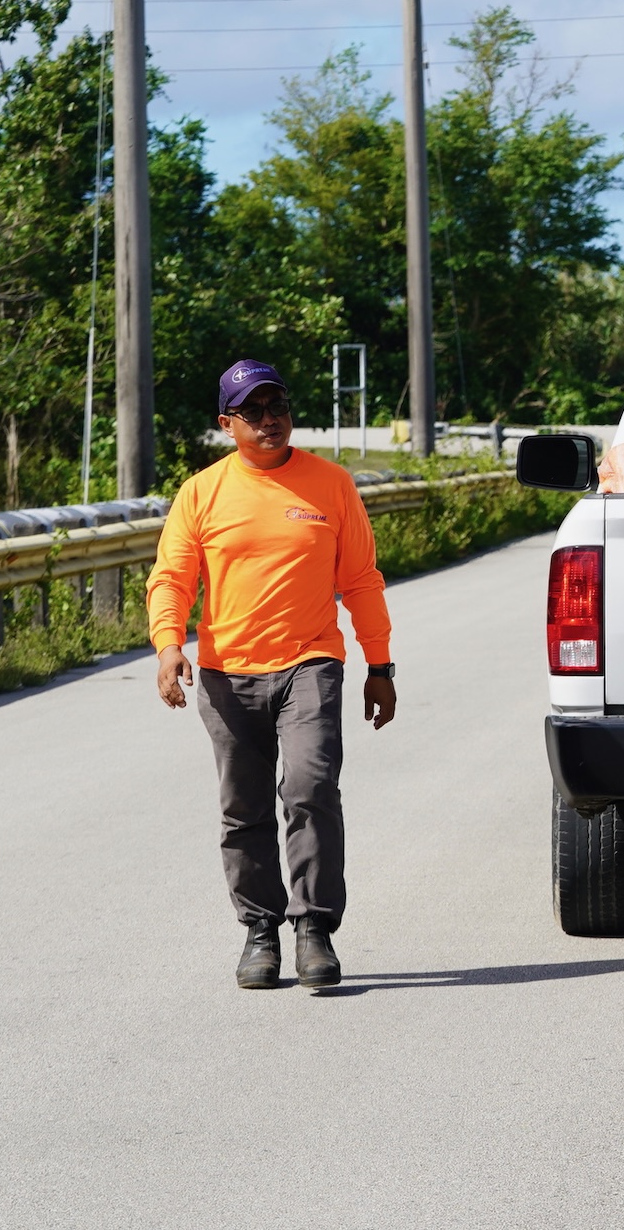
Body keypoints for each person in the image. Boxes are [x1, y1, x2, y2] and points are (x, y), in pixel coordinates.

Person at [149, 360, 398, 991]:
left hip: (310, 663)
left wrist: (380, 663)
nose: (269, 420)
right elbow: (172, 579)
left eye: (277, 406)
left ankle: (313, 928)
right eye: (252, 411)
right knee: (244, 808)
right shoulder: (201, 493)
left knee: (311, 789)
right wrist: (168, 645)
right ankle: (260, 934)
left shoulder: (332, 484)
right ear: (227, 423)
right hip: (227, 676)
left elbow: (361, 580)